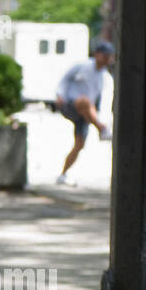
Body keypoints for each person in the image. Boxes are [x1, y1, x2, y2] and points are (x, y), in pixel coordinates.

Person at [54, 40, 115, 187]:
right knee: (85, 101)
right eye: (105, 55)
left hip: (86, 114)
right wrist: (60, 95)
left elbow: (105, 100)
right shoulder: (82, 67)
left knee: (79, 144)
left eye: (109, 56)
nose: (108, 59)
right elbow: (64, 80)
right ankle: (102, 129)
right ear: (97, 54)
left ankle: (63, 174)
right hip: (70, 104)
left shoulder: (106, 78)